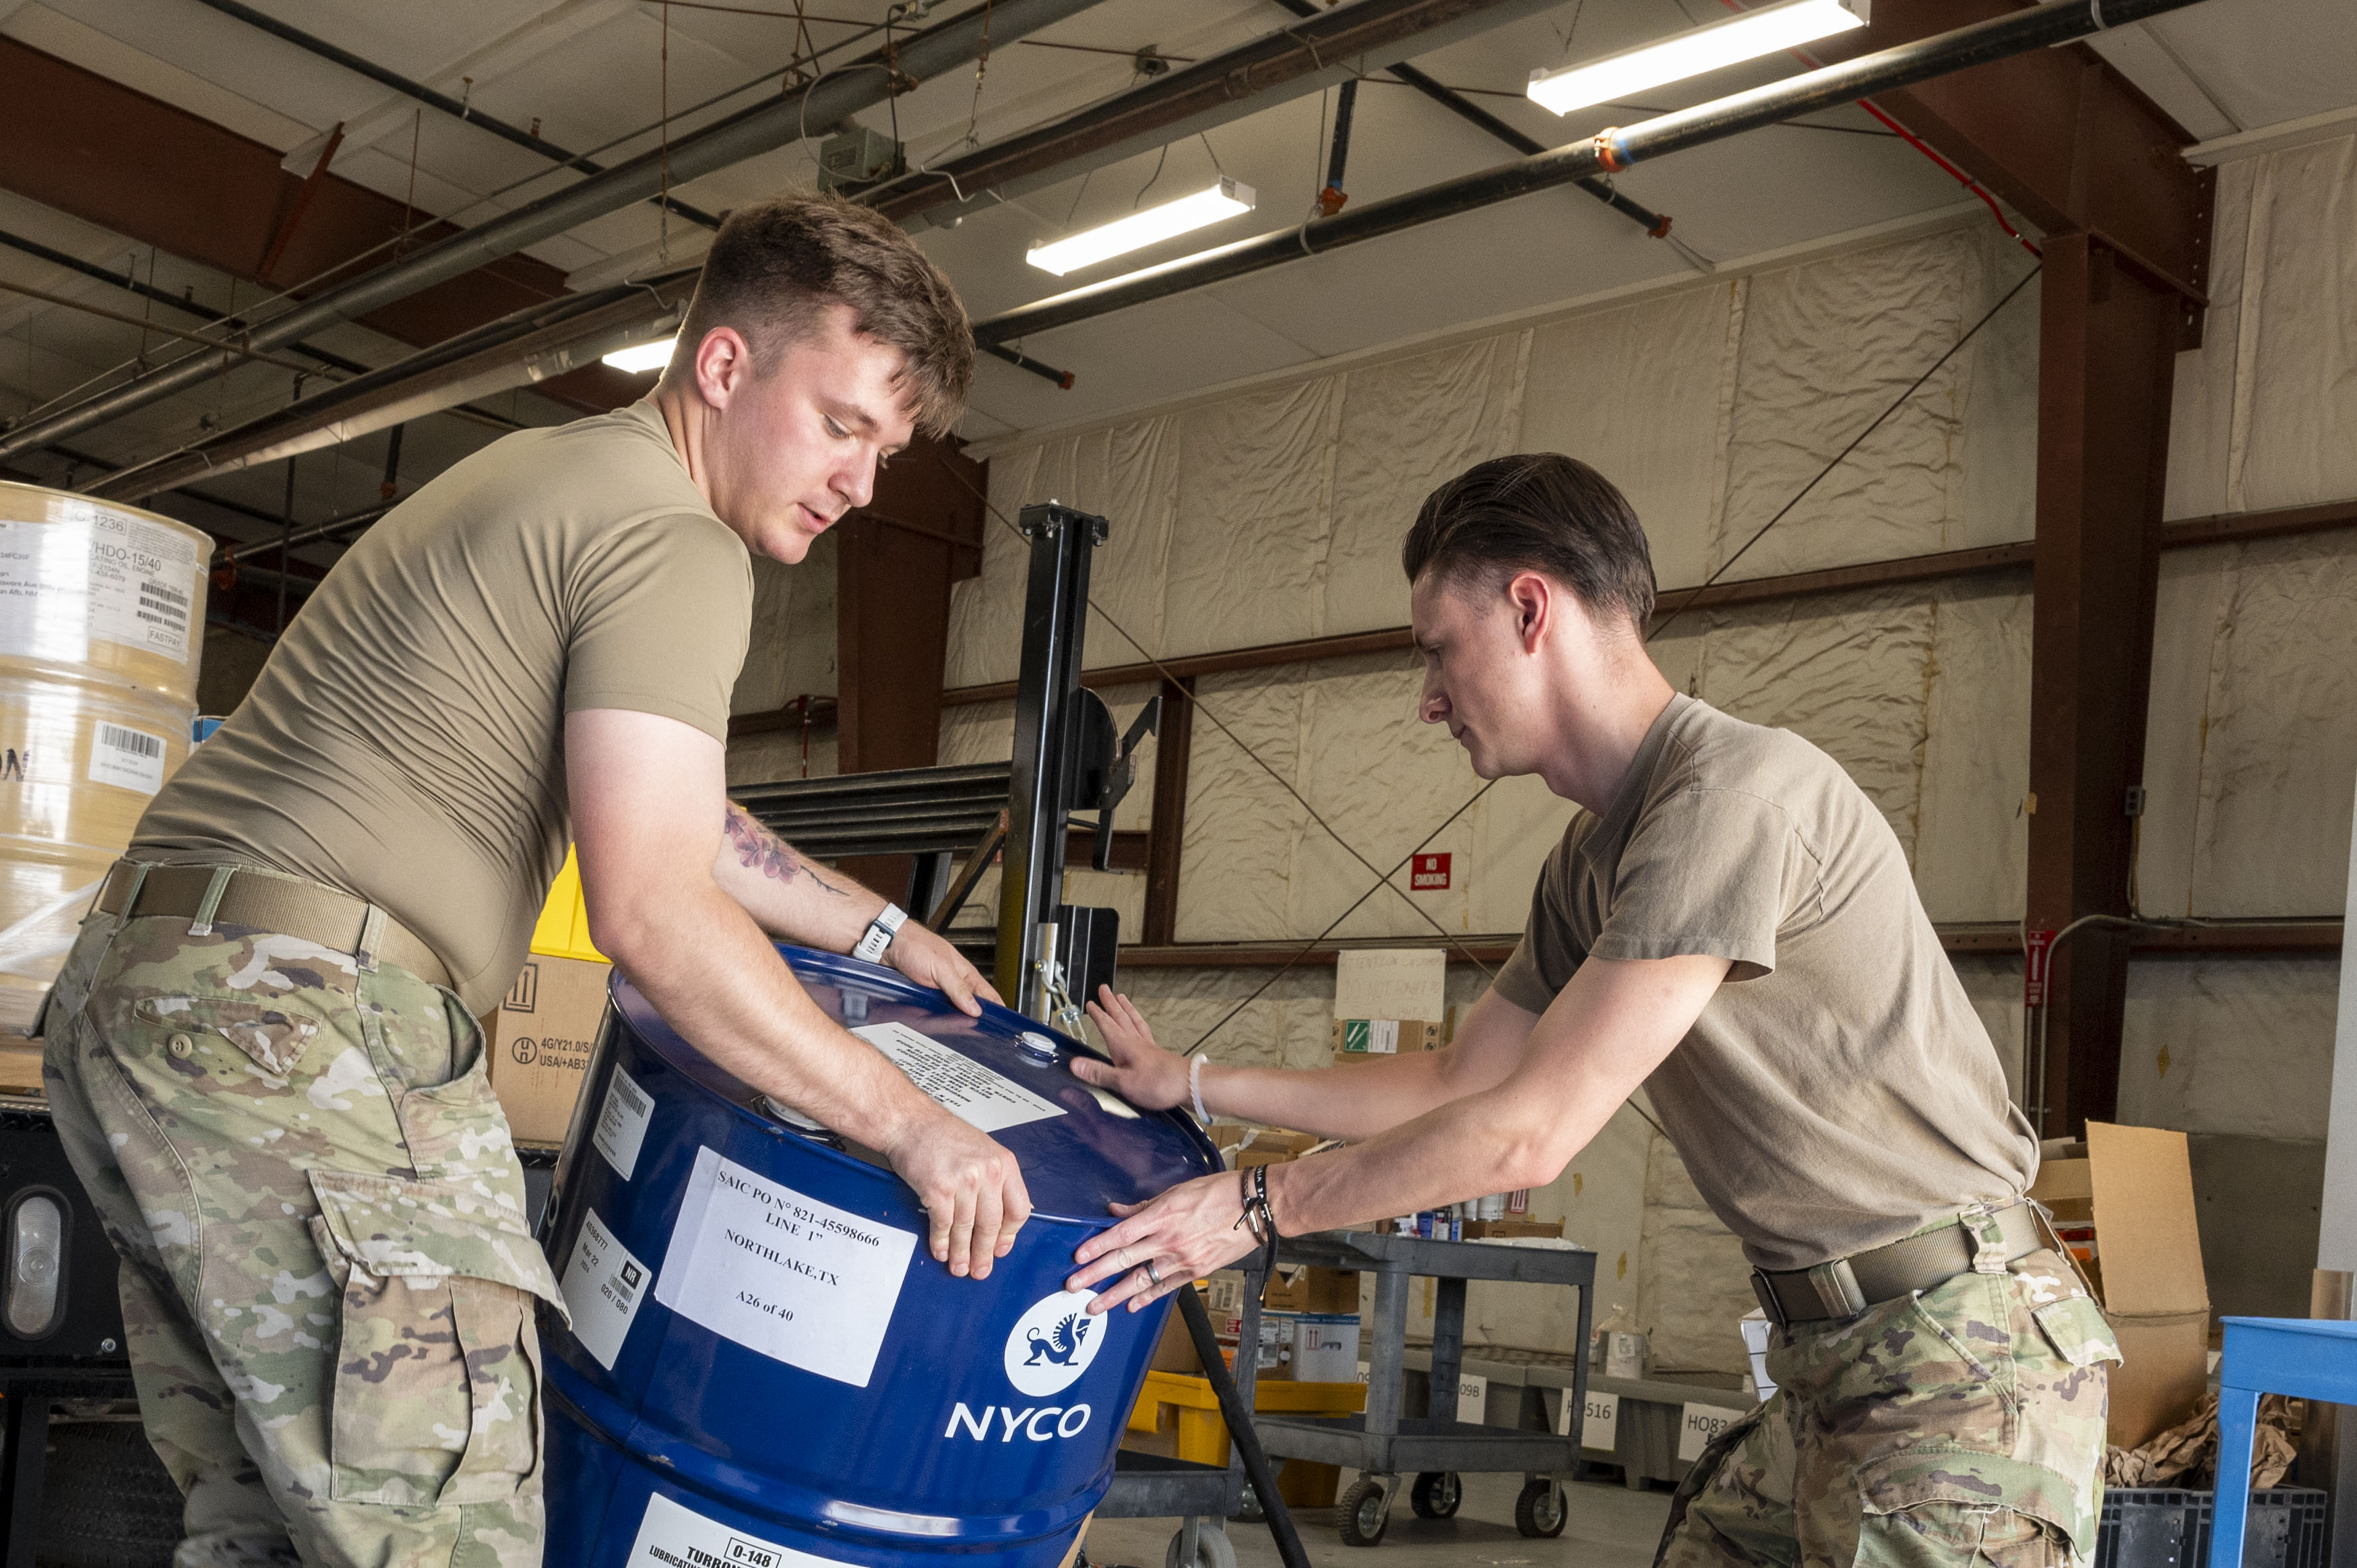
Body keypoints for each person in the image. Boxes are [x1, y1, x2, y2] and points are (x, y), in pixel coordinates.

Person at [37, 192, 1032, 1568]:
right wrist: (911, 1122)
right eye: (844, 425)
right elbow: (654, 908)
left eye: (890, 449)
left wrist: (878, 922)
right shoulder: (680, 542)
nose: (864, 482)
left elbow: (687, 814)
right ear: (728, 366)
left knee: (270, 1530)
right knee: (451, 1532)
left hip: (153, 996)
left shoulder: (559, 475)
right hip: (305, 1025)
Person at [1064, 453, 2120, 1567]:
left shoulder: (1732, 798)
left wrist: (1261, 1205)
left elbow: (1530, 1132)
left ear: (1530, 607)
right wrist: (1189, 1083)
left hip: (1954, 1357)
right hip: (1834, 1357)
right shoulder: (1590, 859)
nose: (1426, 698)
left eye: (1435, 649)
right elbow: (1459, 1079)